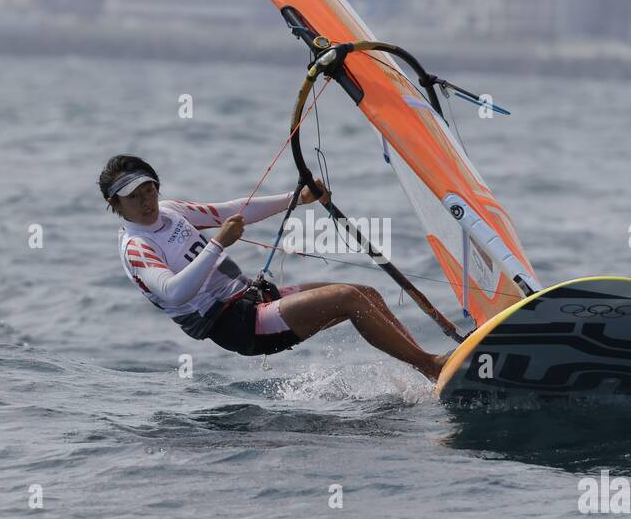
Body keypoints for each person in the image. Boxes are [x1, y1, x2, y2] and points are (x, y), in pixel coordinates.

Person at [100, 154, 448, 381]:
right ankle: (432, 367)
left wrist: (296, 199)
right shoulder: (137, 247)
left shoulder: (172, 211)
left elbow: (232, 210)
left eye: (149, 190)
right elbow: (173, 292)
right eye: (134, 197)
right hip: (237, 325)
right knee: (348, 299)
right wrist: (219, 243)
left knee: (366, 294)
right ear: (116, 203)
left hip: (254, 299)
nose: (146, 202)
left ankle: (428, 367)